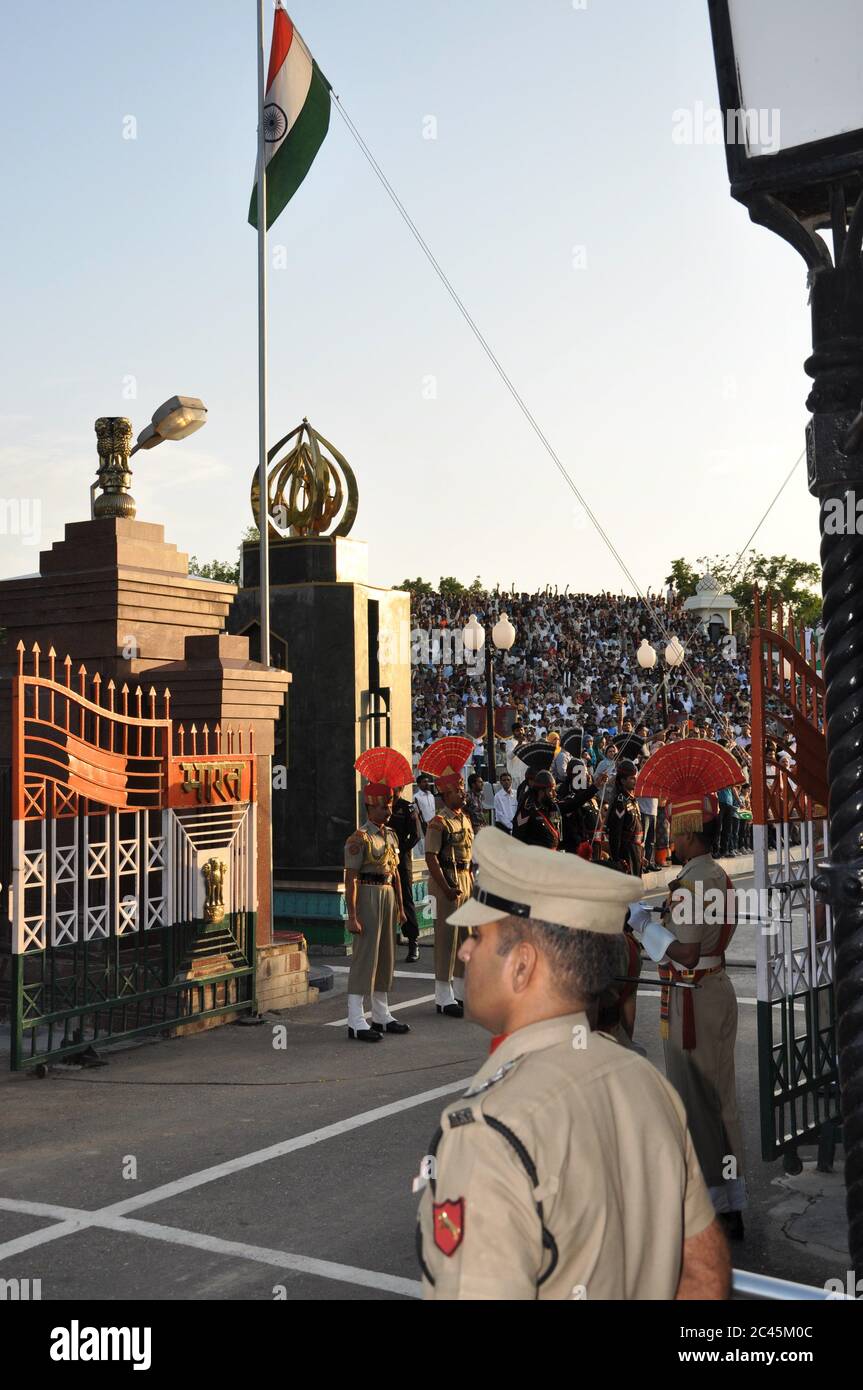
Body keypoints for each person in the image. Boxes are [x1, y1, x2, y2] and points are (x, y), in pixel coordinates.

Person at [414, 829, 730, 1299]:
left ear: (522, 965)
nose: (463, 950)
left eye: (478, 935)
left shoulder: (486, 1133)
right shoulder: (645, 1082)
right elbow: (704, 1276)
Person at [638, 739, 748, 1238]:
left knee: (694, 1097)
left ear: (686, 829)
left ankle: (709, 1201)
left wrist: (642, 926)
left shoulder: (691, 882)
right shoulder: (715, 875)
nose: (671, 837)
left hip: (692, 992)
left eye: (674, 829)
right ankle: (730, 1196)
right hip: (715, 985)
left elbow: (682, 951)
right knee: (719, 1095)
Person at [344, 749, 412, 1042]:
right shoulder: (359, 838)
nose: (388, 812)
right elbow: (350, 877)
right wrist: (353, 915)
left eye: (390, 806)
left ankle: (381, 1014)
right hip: (368, 894)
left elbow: (395, 871)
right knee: (365, 957)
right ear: (371, 807)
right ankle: (356, 1018)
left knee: (386, 956)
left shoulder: (391, 835)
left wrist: (400, 907)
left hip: (386, 895)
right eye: (384, 808)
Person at [419, 736, 476, 1018]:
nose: (463, 793)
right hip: (448, 881)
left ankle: (462, 992)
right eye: (458, 790)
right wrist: (446, 886)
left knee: (466, 938)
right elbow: (431, 857)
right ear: (445, 793)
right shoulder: (438, 822)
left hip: (465, 878)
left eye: (463, 788)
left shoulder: (464, 818)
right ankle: (443, 995)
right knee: (446, 937)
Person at [390, 786, 421, 963]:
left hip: (401, 858)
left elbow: (416, 835)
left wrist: (401, 851)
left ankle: (413, 942)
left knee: (406, 899)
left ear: (400, 788)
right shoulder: (381, 805)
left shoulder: (407, 807)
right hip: (383, 860)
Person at [607, 759, 643, 876]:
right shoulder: (620, 802)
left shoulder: (632, 800)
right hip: (626, 853)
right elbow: (615, 833)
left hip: (636, 852)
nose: (635, 780)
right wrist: (617, 859)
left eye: (635, 777)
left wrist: (641, 853)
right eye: (632, 778)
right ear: (622, 781)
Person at [513, 769, 564, 850]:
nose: (555, 794)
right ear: (541, 791)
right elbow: (517, 835)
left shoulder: (550, 807)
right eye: (551, 790)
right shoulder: (527, 809)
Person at [413, 773, 437, 857]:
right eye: (424, 782)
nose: (427, 784)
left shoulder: (431, 796)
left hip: (433, 824)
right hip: (423, 824)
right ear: (419, 784)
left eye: (427, 781)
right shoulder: (416, 797)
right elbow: (416, 812)